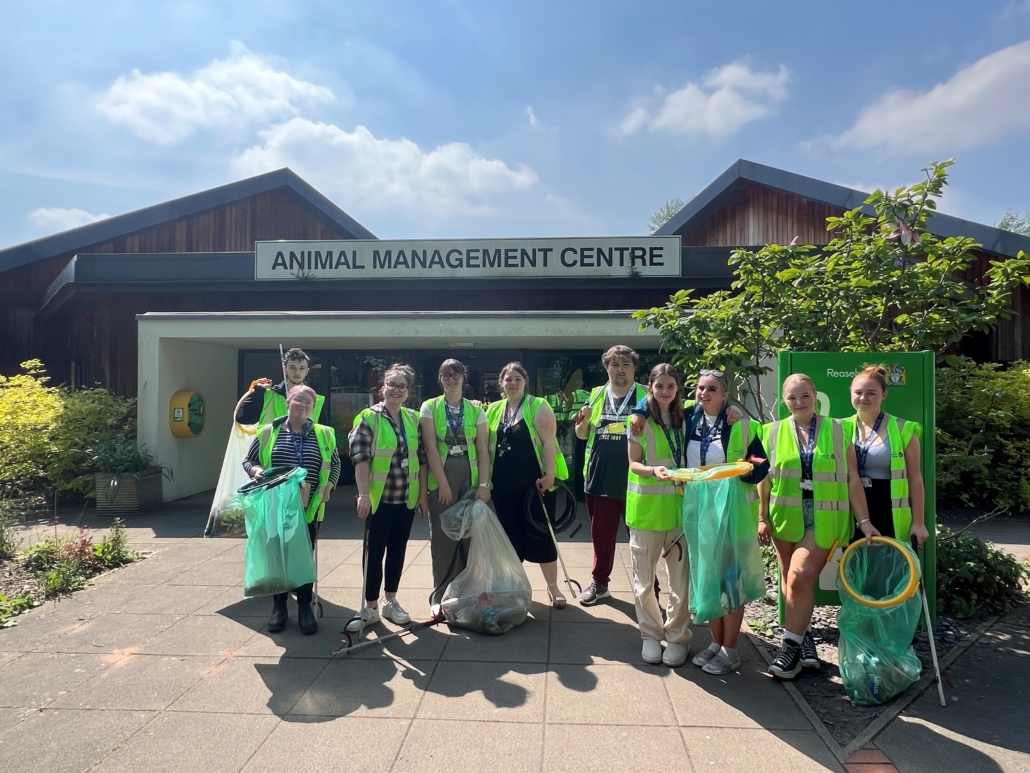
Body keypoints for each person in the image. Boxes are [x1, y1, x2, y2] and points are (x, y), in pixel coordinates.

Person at [758, 373, 870, 680]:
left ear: (815, 395)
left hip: (825, 517)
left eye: (805, 396)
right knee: (788, 579)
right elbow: (764, 481)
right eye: (792, 398)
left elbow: (851, 478)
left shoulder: (839, 429)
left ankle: (789, 647)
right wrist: (762, 517)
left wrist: (864, 521)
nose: (799, 403)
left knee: (801, 574)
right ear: (784, 400)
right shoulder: (770, 432)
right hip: (785, 515)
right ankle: (805, 639)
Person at [680, 369, 769, 674]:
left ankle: (731, 649)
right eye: (700, 388)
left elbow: (760, 463)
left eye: (712, 389)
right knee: (707, 576)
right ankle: (716, 643)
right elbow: (653, 401)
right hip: (698, 510)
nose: (704, 393)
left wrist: (745, 469)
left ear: (725, 394)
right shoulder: (688, 418)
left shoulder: (740, 424)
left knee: (730, 578)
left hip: (731, 512)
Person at [242, 384, 341, 635]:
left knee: (303, 557)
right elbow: (248, 461)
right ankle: (279, 607)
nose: (304, 405)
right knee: (277, 556)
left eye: (309, 402)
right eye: (299, 400)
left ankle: (305, 607)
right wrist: (257, 471)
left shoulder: (325, 433)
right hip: (276, 504)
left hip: (309, 507)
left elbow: (336, 464)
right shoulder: (267, 432)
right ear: (288, 401)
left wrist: (329, 486)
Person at [347, 364, 429, 632]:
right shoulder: (368, 418)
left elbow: (422, 459)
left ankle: (390, 601)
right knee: (374, 554)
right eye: (391, 385)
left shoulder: (413, 418)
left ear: (408, 391)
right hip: (378, 499)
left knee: (397, 551)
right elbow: (360, 459)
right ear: (382, 388)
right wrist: (362, 495)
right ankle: (370, 606)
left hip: (406, 498)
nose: (396, 390)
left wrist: (423, 496)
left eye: (401, 386)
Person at [486, 361, 571, 608]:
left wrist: (550, 476)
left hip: (536, 485)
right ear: (501, 383)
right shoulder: (493, 409)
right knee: (510, 537)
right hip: (503, 485)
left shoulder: (538, 406)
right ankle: (515, 586)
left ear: (525, 382)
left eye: (517, 379)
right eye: (508, 379)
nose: (512, 383)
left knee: (542, 534)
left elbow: (547, 442)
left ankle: (553, 587)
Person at [625, 364, 694, 667]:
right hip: (646, 513)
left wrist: (732, 409)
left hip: (681, 512)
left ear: (678, 388)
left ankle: (678, 637)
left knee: (681, 583)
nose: (665, 392)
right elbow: (633, 463)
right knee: (644, 581)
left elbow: (718, 399)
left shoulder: (689, 415)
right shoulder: (638, 421)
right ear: (649, 388)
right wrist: (653, 470)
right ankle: (650, 635)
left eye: (671, 386)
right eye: (659, 386)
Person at [573, 345, 648, 605]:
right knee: (601, 539)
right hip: (600, 477)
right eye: (614, 365)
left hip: (638, 480)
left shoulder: (646, 396)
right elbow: (582, 436)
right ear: (607, 367)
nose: (620, 370)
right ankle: (600, 584)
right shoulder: (594, 395)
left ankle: (649, 589)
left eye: (626, 365)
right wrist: (584, 422)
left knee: (642, 540)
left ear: (634, 368)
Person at [418, 359, 491, 610]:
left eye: (455, 374)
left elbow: (482, 450)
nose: (451, 379)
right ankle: (441, 594)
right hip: (443, 478)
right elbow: (429, 447)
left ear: (464, 377)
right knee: (442, 539)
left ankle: (469, 591)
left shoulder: (476, 410)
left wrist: (483, 484)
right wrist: (443, 484)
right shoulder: (430, 407)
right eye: (445, 375)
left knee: (471, 537)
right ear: (440, 379)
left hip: (470, 480)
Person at [843, 365, 929, 546]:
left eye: (871, 393)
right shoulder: (839, 428)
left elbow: (915, 479)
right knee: (857, 569)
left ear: (884, 395)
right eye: (858, 392)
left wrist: (919, 523)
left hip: (890, 510)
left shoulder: (903, 429)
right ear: (850, 393)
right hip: (852, 510)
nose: (863, 398)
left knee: (892, 569)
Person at [236, 348, 325, 426]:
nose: (297, 373)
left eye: (301, 368)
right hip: (272, 445)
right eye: (293, 368)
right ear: (285, 369)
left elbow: (324, 434)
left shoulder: (316, 400)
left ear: (307, 371)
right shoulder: (268, 395)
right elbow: (242, 418)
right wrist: (259, 392)